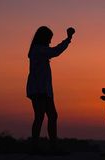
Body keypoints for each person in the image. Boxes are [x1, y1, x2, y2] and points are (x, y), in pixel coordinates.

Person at [26, 26, 75, 154]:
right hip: (38, 89)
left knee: (51, 116)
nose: (50, 41)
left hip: (43, 89)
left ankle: (51, 146)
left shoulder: (38, 50)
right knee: (40, 116)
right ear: (43, 38)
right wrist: (68, 38)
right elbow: (55, 51)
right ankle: (36, 147)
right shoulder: (38, 50)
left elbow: (53, 52)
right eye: (49, 39)